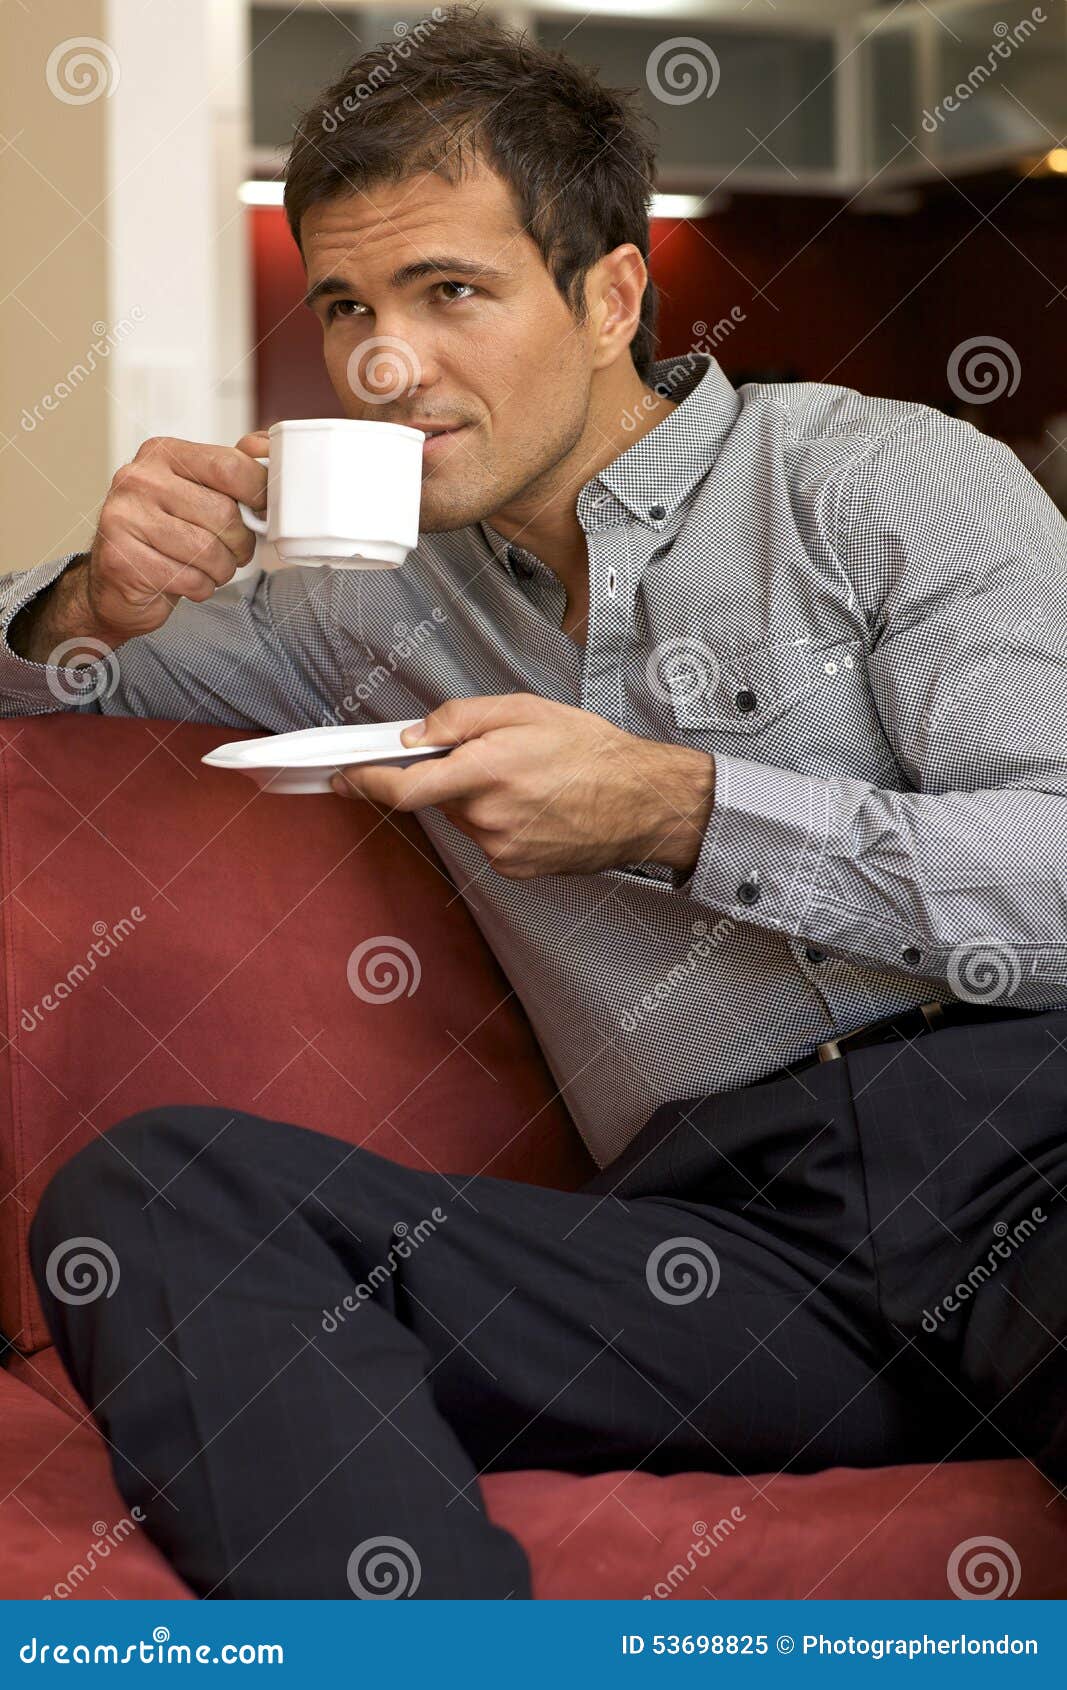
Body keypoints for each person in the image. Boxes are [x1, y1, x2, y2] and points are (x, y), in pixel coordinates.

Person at [9, 6, 1067, 1600]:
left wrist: (683, 809)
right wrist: (94, 591)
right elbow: (50, 681)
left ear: (608, 295)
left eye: (450, 293)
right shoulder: (364, 609)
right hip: (731, 1256)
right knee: (152, 1190)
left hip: (1023, 1152)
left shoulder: (875, 481)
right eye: (351, 304)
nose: (384, 361)